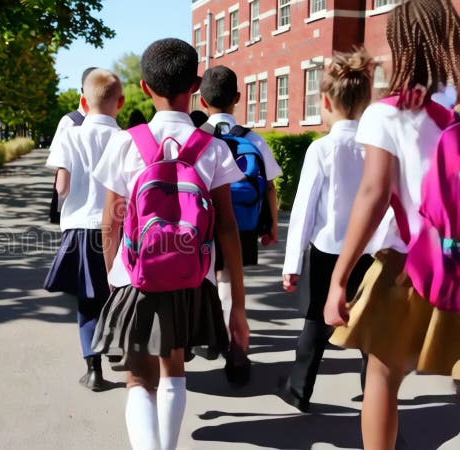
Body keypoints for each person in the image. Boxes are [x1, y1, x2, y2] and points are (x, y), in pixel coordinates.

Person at [91, 38, 249, 450]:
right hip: (192, 277)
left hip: (136, 276)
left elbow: (111, 221)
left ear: (144, 87)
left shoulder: (127, 143)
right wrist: (240, 306)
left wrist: (114, 275)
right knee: (174, 372)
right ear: (195, 86)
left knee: (138, 381)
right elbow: (228, 227)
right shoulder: (211, 148)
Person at [324, 1, 460, 449]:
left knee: (383, 375)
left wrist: (339, 278)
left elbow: (374, 195)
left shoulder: (388, 113)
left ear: (399, 43)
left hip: (409, 263)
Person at [276, 48, 376, 413]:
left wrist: (292, 264)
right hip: (368, 250)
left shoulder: (322, 149)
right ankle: (374, 395)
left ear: (327, 100)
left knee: (314, 327)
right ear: (366, 101)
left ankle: (299, 390)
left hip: (326, 251)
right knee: (369, 331)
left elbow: (303, 210)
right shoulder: (375, 147)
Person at [44, 69, 125, 391]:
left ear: (83, 100)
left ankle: (93, 369)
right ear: (120, 103)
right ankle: (119, 346)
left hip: (79, 230)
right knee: (118, 295)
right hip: (117, 230)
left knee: (87, 302)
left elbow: (61, 187)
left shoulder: (70, 135)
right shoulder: (126, 138)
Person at [197, 65, 283, 332]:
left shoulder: (196, 137)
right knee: (232, 274)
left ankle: (205, 331)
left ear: (202, 101)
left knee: (205, 272)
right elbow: (269, 186)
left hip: (204, 220)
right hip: (243, 220)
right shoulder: (254, 139)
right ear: (237, 97)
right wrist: (272, 226)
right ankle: (229, 329)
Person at [49, 67, 99, 224]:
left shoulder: (69, 121)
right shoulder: (69, 121)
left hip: (84, 203)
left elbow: (58, 162)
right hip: (85, 202)